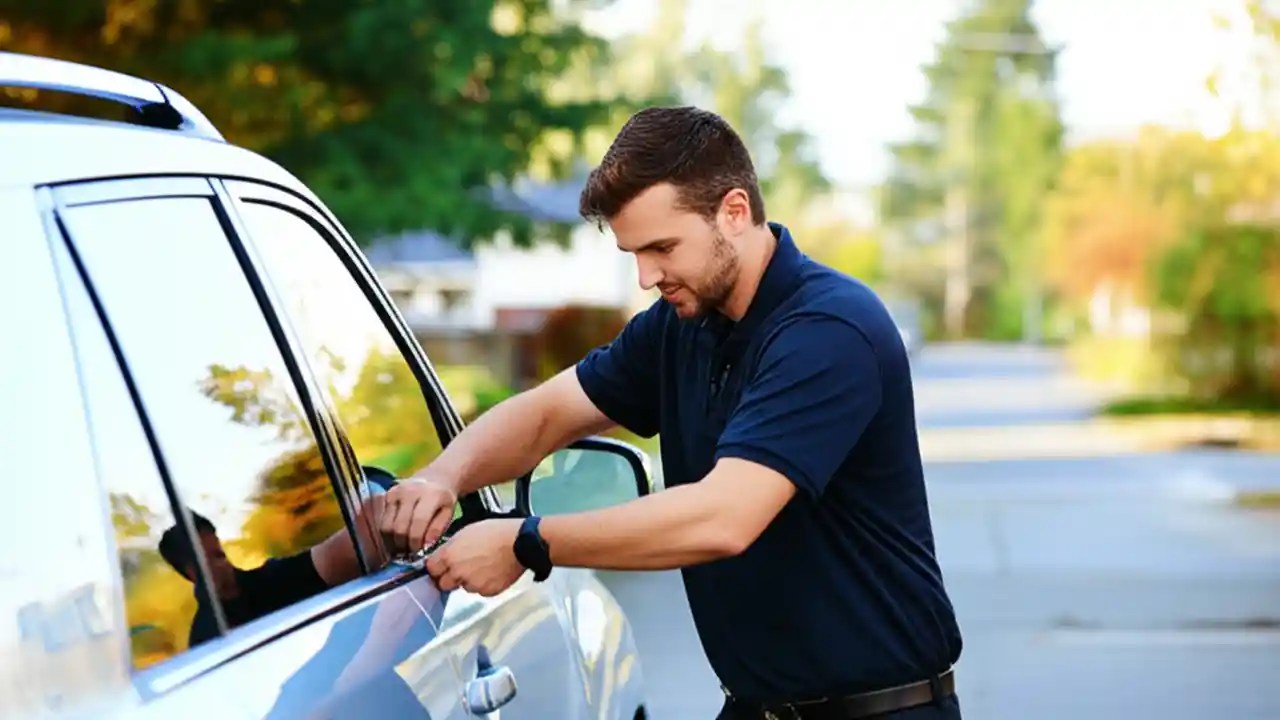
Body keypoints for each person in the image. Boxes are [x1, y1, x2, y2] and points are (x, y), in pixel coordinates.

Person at [380, 106, 964, 719]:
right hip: (755, 708)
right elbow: (548, 414)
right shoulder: (680, 327)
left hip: (878, 711)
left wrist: (527, 543)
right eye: (633, 252)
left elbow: (722, 517)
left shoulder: (828, 330)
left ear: (734, 212)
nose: (645, 276)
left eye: (661, 247)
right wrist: (441, 478)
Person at [159, 509, 372, 647]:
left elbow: (339, 554)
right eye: (205, 561)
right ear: (190, 574)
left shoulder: (274, 579)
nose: (220, 564)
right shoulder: (203, 639)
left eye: (219, 555)